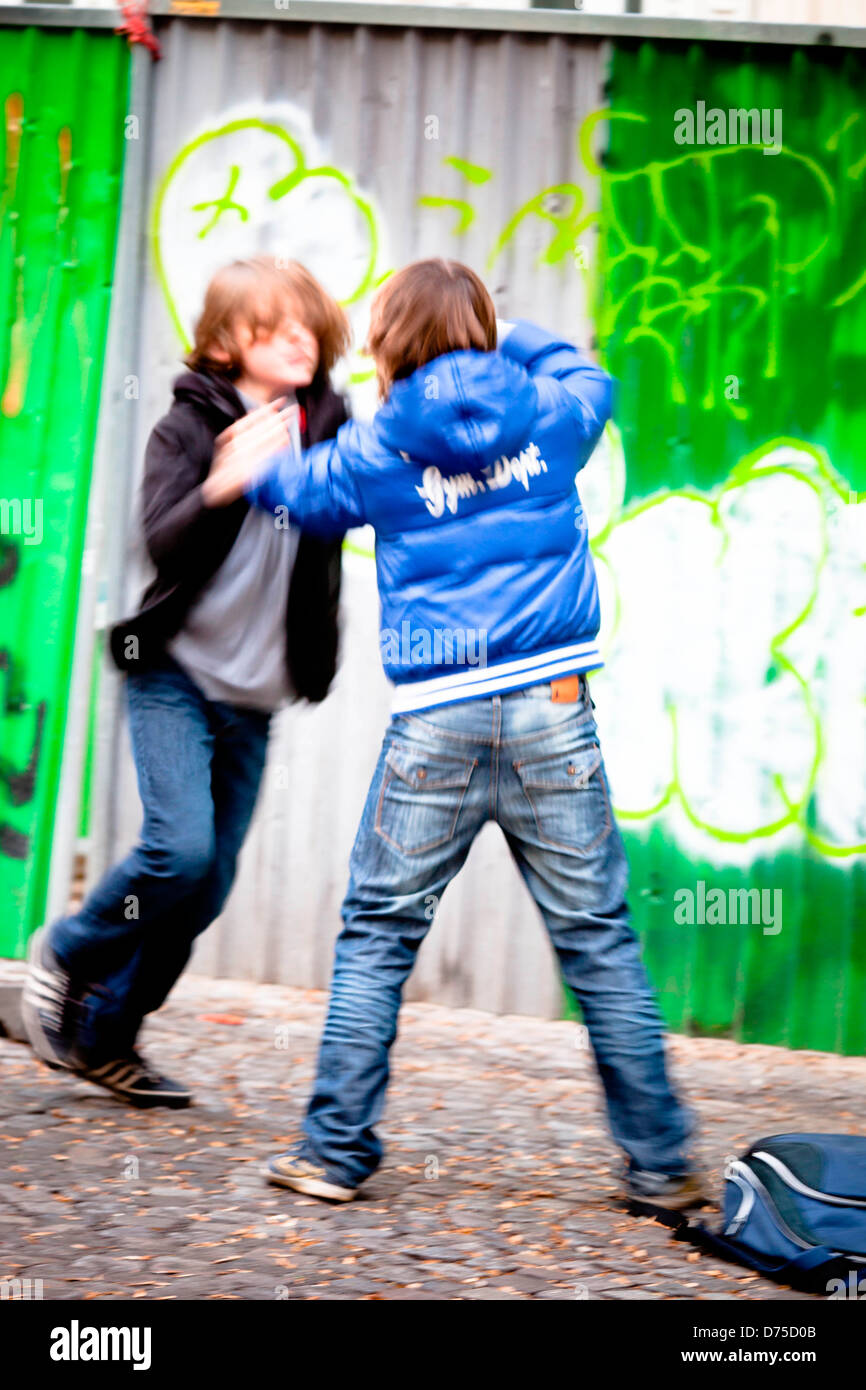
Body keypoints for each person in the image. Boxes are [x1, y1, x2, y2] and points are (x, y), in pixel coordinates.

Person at [205, 257, 701, 1208]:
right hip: (554, 710)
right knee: (597, 937)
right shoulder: (551, 417)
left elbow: (300, 493)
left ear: (389, 345)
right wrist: (496, 336)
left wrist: (252, 472)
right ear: (485, 333)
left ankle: (333, 1153)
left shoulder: (380, 444)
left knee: (378, 937)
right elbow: (594, 380)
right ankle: (663, 1165)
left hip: (436, 719)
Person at [22, 256, 350, 1107]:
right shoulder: (191, 422)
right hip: (169, 669)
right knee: (182, 848)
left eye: (309, 327)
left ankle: (107, 1037)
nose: (299, 341)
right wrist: (222, 485)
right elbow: (162, 542)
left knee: (205, 888)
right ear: (227, 342)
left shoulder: (331, 427)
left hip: (254, 693)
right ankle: (69, 948)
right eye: (277, 329)